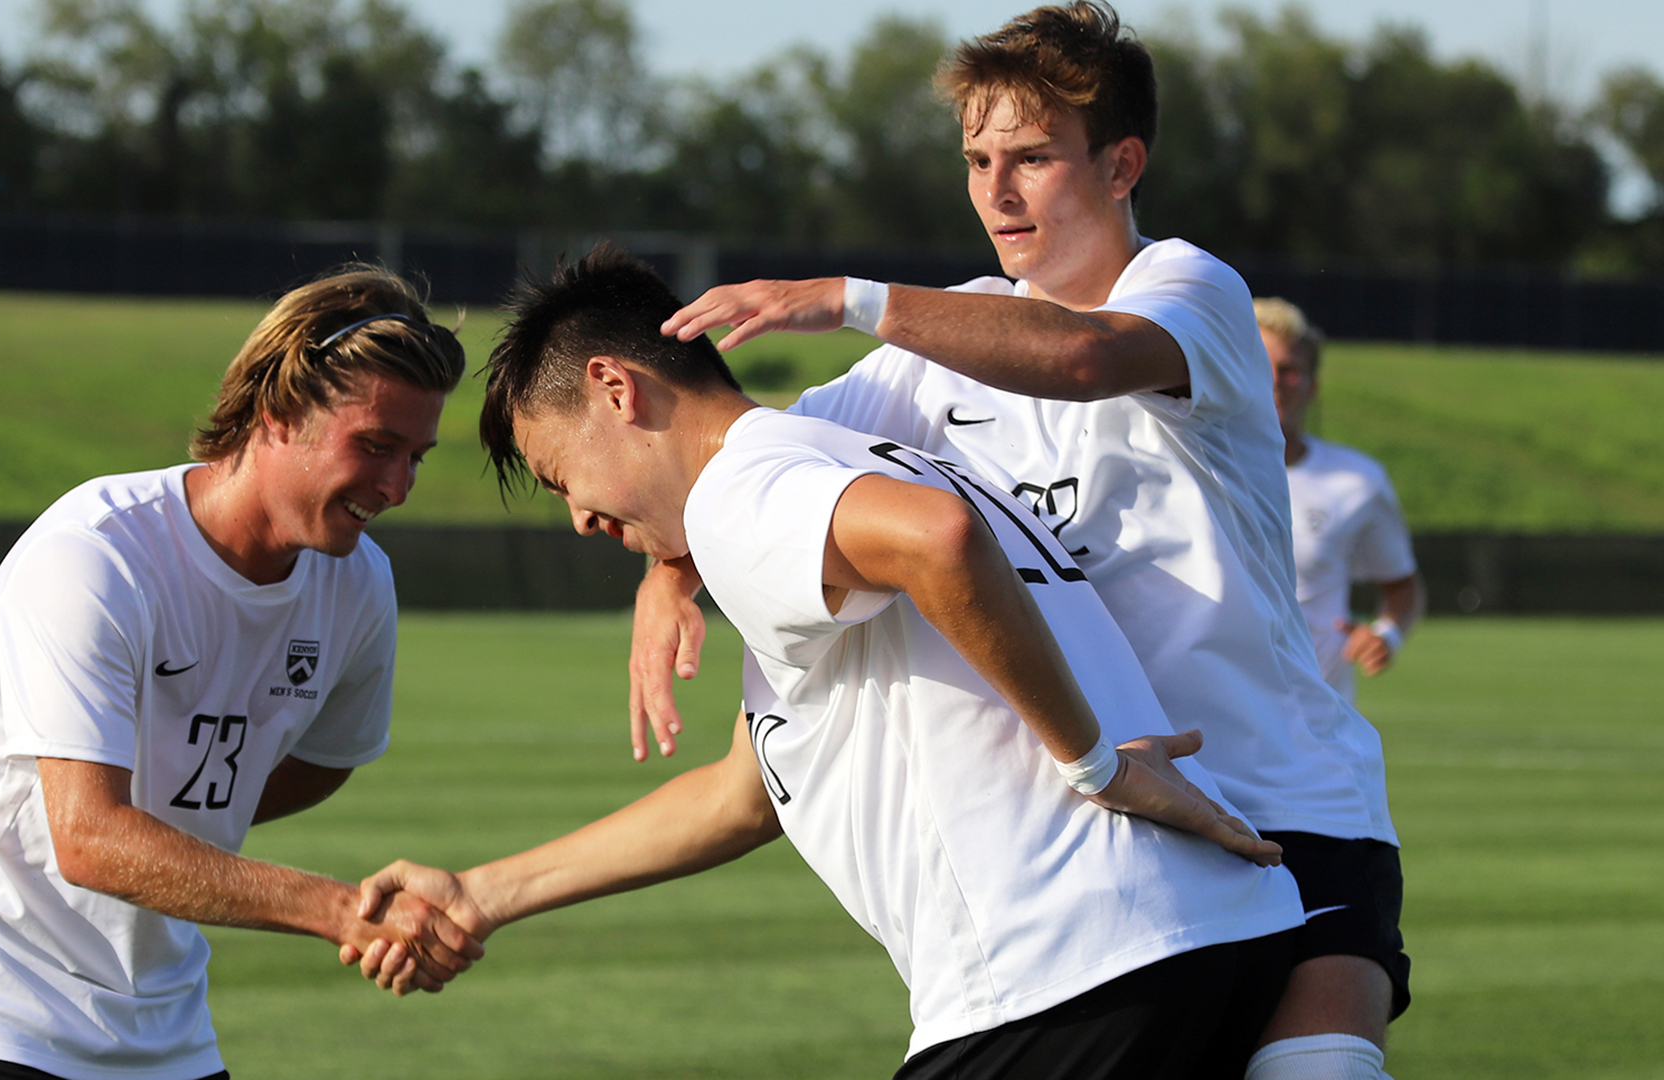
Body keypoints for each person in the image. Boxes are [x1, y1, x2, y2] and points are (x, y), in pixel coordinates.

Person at [632, 6, 1408, 1078]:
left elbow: (1084, 357)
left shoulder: (1191, 290)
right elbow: (751, 460)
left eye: (1033, 158)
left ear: (1122, 162)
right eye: (977, 159)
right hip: (1132, 843)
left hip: (1291, 803)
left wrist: (850, 298)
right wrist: (668, 569)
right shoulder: (929, 350)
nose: (996, 191)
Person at [356, 247, 1305, 1079]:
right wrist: (482, 894)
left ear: (616, 388)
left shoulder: (741, 497)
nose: (582, 517)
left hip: (1066, 971)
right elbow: (743, 792)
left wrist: (1094, 764)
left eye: (565, 476)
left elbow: (937, 541)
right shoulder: (829, 461)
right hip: (1206, 940)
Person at [0, 267, 484, 1080]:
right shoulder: (93, 557)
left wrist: (171, 830)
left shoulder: (360, 582)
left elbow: (327, 761)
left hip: (163, 1028)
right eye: (374, 446)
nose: (397, 487)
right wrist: (344, 913)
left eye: (416, 457)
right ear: (279, 413)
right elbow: (89, 839)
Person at [1256, 298, 1424, 703]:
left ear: (1312, 386)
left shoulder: (1357, 481)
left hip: (1318, 725)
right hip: (1217, 723)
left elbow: (1403, 587)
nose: (1276, 381)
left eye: (1290, 370)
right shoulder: (1191, 471)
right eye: (1261, 365)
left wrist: (1386, 635)